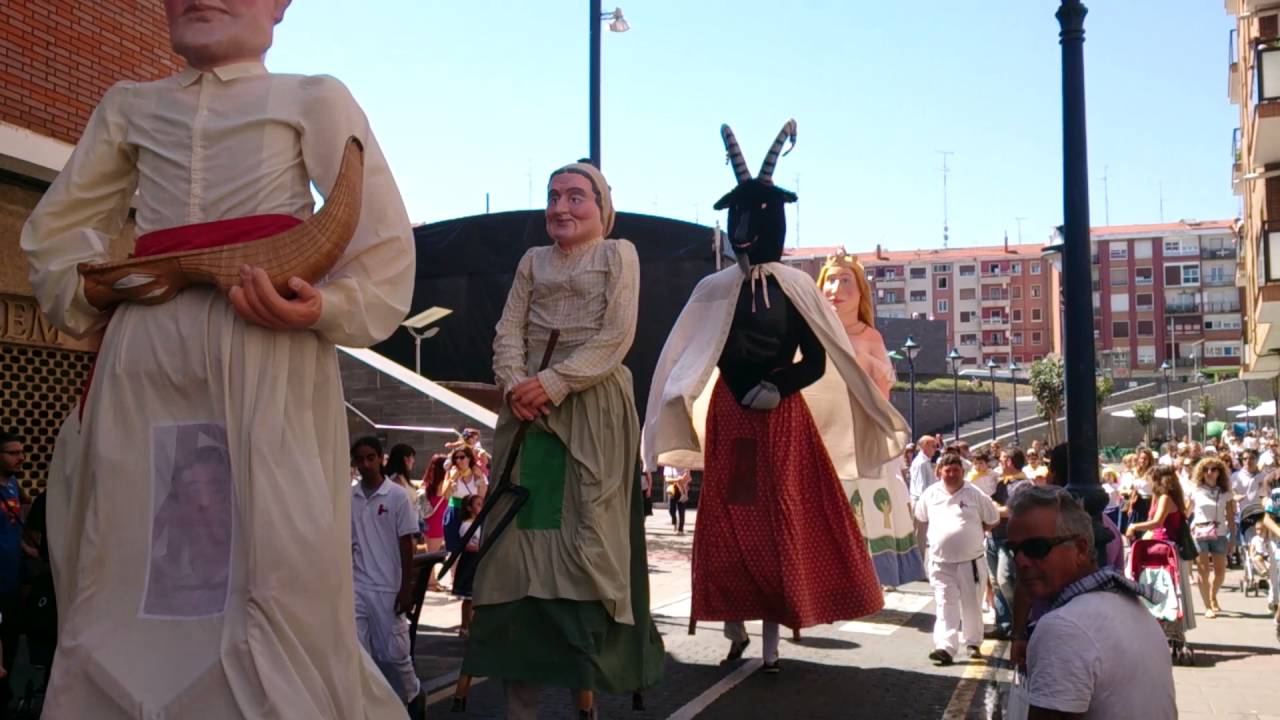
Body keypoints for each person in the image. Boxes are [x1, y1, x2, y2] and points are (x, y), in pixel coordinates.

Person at [22, 2, 415, 716]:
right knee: (127, 562)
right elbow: (56, 233)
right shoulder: (126, 107)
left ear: (281, 5)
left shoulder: (314, 97)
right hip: (144, 363)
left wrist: (319, 306)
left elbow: (383, 246)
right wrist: (99, 285)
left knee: (278, 574)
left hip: (266, 354)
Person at [645, 122, 901, 672]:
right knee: (733, 515)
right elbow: (693, 352)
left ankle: (768, 642)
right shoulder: (714, 290)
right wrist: (726, 390)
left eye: (753, 217)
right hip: (735, 421)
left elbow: (816, 358)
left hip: (780, 421)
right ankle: (736, 625)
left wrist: (777, 386)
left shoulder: (795, 288)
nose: (743, 228)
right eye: (736, 217)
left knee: (779, 516)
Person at [461, 161, 663, 719]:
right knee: (517, 539)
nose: (561, 207)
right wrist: (514, 386)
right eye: (554, 196)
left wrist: (551, 384)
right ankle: (518, 698)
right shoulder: (531, 261)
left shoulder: (619, 254)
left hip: (590, 407)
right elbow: (508, 331)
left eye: (577, 197)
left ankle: (587, 687)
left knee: (587, 532)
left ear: (602, 208)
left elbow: (616, 335)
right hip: (526, 412)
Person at [1009, 485, 1176, 719]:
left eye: (1036, 548)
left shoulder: (1063, 627)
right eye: (1013, 550)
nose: (1021, 561)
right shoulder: (1130, 605)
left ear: (1080, 549)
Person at [818, 251, 924, 587]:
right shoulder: (814, 331)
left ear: (861, 291)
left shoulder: (870, 337)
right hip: (821, 433)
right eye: (830, 280)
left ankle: (868, 573)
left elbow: (881, 395)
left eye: (845, 280)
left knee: (866, 504)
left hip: (861, 434)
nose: (836, 288)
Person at [350, 437, 423, 715]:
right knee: (359, 652)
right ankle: (372, 707)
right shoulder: (350, 497)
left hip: (388, 588)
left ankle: (414, 694)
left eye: (371, 457)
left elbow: (408, 544)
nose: (366, 464)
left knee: (396, 654)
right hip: (358, 587)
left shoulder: (397, 496)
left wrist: (406, 589)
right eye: (360, 459)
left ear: (381, 458)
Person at [913, 453, 998, 665]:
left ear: (962, 472)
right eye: (947, 471)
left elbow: (992, 519)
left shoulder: (974, 493)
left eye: (956, 471)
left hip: (971, 562)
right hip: (940, 562)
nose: (951, 475)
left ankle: (972, 643)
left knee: (971, 604)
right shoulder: (930, 494)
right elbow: (921, 517)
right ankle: (945, 647)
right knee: (944, 604)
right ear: (940, 471)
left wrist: (973, 534)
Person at [1125, 465, 1197, 635]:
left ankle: (1171, 625)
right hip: (1158, 545)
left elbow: (1157, 522)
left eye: (1150, 479)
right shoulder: (1162, 497)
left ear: (1157, 480)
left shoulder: (1165, 497)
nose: (1148, 482)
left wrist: (1134, 526)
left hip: (1164, 549)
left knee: (1166, 587)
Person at [986, 447, 1028, 640]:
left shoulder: (1023, 485)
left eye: (1001, 459)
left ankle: (1020, 620)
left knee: (1006, 580)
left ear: (1009, 461)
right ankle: (1004, 625)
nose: (999, 463)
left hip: (1008, 539)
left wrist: (993, 508)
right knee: (996, 584)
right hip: (993, 537)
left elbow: (1010, 511)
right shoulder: (1001, 483)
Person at [1189, 456, 1237, 617]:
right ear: (1201, 472)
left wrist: (1233, 538)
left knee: (1220, 573)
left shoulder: (1226, 493)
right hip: (1199, 532)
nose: (1209, 472)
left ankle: (1212, 595)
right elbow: (1186, 513)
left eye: (1213, 469)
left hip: (1220, 533)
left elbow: (1231, 517)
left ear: (1219, 473)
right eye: (1206, 469)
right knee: (1203, 571)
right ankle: (1208, 606)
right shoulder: (1195, 490)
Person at [0, 433, 23, 708]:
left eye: (21, 451)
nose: (20, 457)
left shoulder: (14, 485)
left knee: (11, 641)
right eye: (12, 452)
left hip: (13, 580)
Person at [451, 494, 484, 637]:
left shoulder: (482, 523)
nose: (480, 507)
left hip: (479, 561)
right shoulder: (467, 525)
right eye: (477, 504)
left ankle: (473, 625)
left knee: (476, 597)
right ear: (469, 508)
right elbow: (467, 545)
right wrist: (482, 547)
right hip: (470, 562)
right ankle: (465, 626)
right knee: (468, 598)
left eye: (481, 504)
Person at [442, 446, 485, 555]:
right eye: (455, 458)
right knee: (453, 550)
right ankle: (453, 571)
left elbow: (481, 496)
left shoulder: (477, 472)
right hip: (454, 512)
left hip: (471, 514)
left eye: (462, 457)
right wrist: (452, 479)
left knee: (472, 549)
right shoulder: (451, 472)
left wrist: (480, 478)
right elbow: (446, 496)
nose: (458, 461)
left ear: (469, 458)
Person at [421, 454, 449, 591]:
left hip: (428, 519)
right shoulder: (444, 483)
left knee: (429, 552)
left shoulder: (428, 481)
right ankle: (430, 583)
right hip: (438, 520)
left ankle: (431, 581)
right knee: (432, 554)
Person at [665, 466, 691, 535]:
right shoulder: (668, 467)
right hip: (673, 490)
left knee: (681, 510)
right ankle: (675, 522)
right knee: (671, 510)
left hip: (683, 490)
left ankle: (680, 529)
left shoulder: (685, 466)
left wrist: (683, 479)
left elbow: (688, 478)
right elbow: (667, 479)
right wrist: (677, 479)